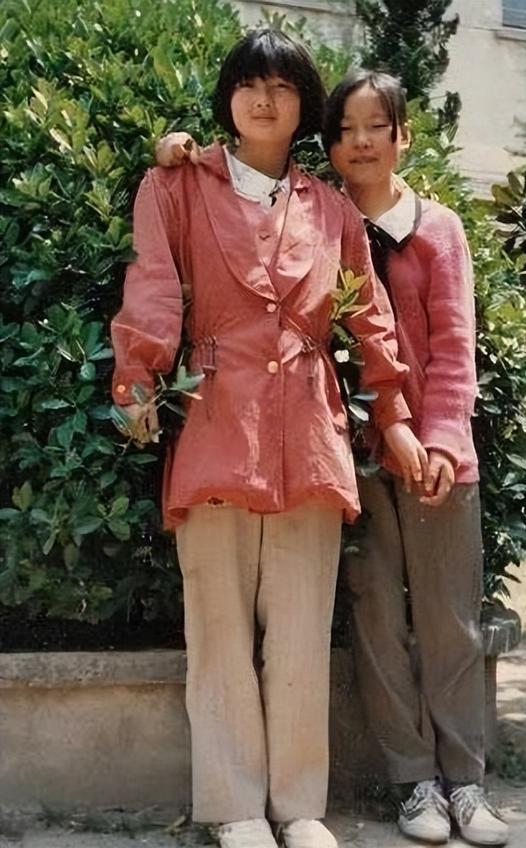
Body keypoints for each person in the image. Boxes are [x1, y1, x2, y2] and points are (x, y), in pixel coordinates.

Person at [112, 31, 428, 848]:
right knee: (217, 630)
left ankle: (298, 806)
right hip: (216, 423)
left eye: (283, 87)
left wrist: (394, 416)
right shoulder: (175, 184)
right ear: (227, 96)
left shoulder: (331, 210)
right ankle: (234, 807)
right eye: (249, 83)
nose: (264, 99)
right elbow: (153, 288)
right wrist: (139, 379)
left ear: (304, 105)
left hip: (310, 433)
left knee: (299, 632)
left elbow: (370, 319)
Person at [323, 70, 509, 847]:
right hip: (356, 457)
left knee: (449, 620)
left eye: (376, 126)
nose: (361, 142)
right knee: (375, 614)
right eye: (345, 129)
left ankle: (466, 781)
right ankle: (414, 783)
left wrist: (441, 442)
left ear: (402, 135)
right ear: (329, 145)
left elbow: (456, 347)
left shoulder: (440, 229)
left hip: (437, 457)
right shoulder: (319, 222)